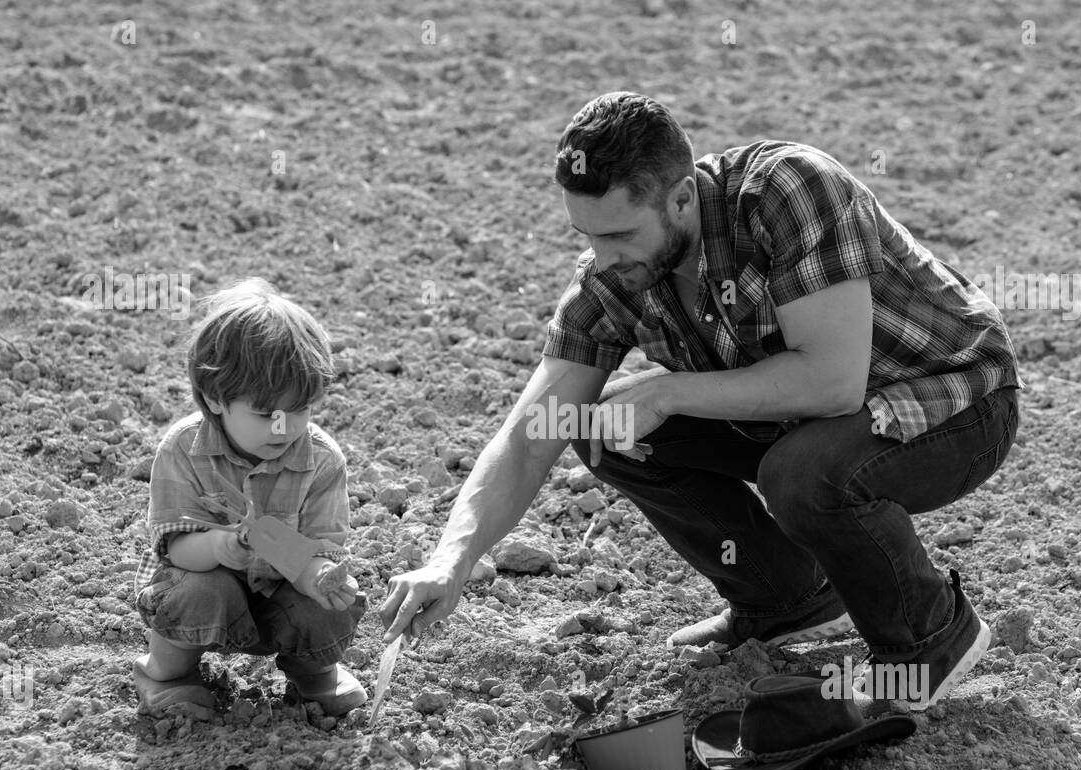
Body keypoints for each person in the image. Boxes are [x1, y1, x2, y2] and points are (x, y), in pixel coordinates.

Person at [382, 92, 1022, 710]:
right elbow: (531, 435)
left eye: (621, 234)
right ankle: (785, 600)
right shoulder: (617, 276)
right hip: (815, 421)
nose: (603, 259)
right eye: (587, 235)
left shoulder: (788, 190)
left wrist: (666, 391)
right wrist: (451, 561)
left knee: (799, 471)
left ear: (682, 198)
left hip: (956, 403)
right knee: (600, 425)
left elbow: (832, 384)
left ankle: (930, 639)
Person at [132, 278, 367, 717]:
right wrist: (221, 546)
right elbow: (176, 547)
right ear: (215, 398)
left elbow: (318, 550)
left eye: (299, 410)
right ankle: (164, 672)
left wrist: (319, 577)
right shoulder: (184, 450)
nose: (285, 428)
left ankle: (315, 676)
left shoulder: (322, 460)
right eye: (267, 415)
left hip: (280, 592)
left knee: (329, 605)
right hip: (203, 582)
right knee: (197, 592)